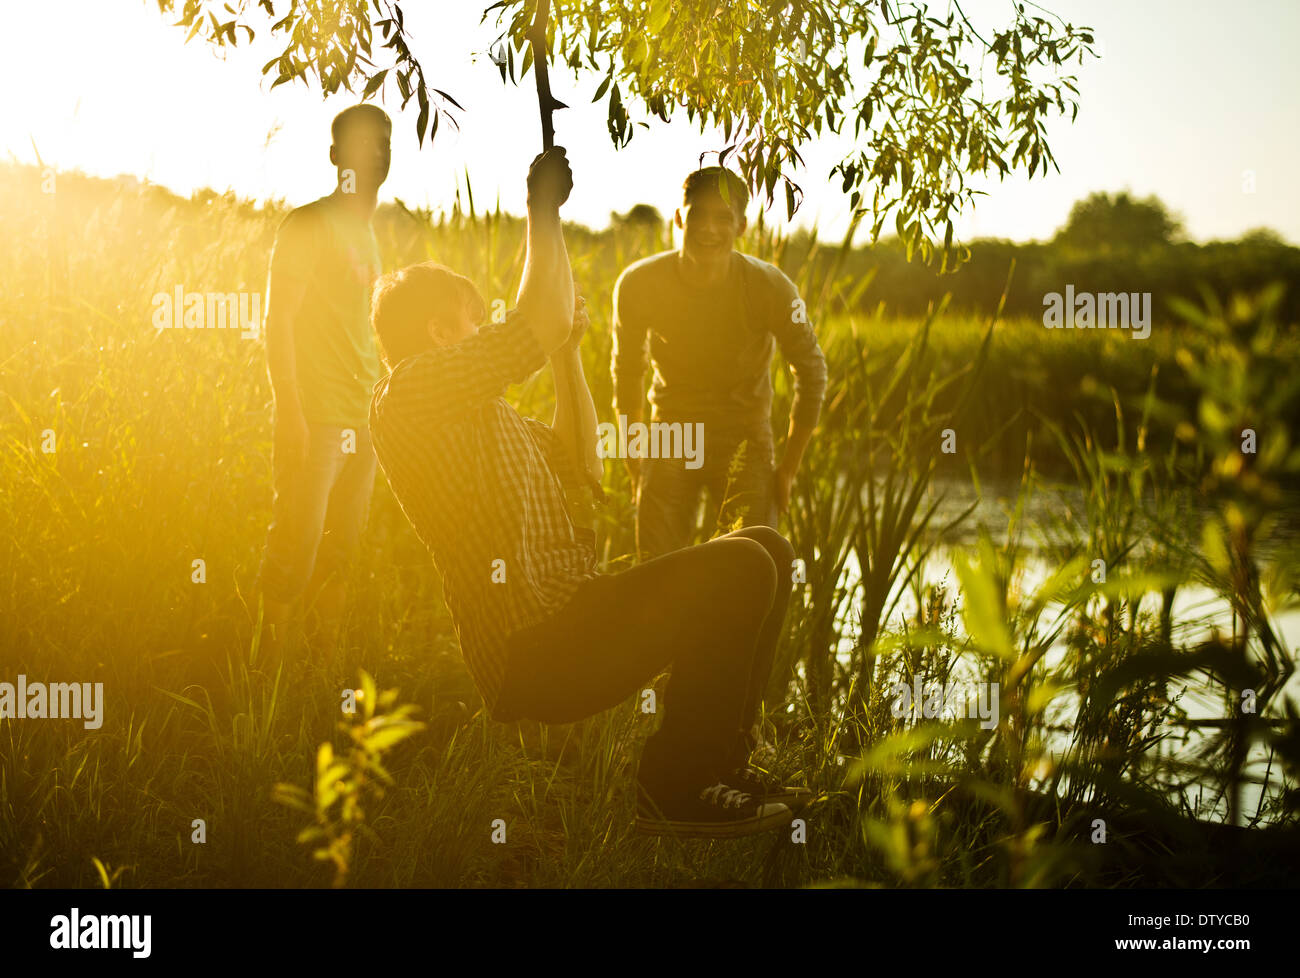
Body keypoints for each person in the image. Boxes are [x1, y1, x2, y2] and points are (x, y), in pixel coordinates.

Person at [368, 148, 810, 837]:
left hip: (578, 617)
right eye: (474, 320)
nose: (483, 331)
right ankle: (675, 785)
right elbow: (531, 325)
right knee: (744, 566)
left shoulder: (490, 415)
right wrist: (541, 210)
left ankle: (722, 766)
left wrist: (567, 351)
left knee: (768, 548)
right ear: (436, 331)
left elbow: (582, 465)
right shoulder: (409, 393)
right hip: (535, 652)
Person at [611, 167, 828, 560]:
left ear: (741, 225)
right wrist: (635, 463)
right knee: (657, 568)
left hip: (745, 434)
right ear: (680, 217)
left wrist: (787, 470)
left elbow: (812, 371)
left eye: (723, 218)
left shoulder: (771, 287)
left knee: (752, 565)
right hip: (672, 432)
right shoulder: (638, 284)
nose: (709, 229)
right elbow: (627, 373)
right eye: (698, 214)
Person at [256, 104, 392, 659]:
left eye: (383, 143)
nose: (374, 153)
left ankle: (322, 665)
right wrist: (290, 412)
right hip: (315, 416)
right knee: (297, 541)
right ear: (335, 156)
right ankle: (266, 670)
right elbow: (278, 320)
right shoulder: (309, 223)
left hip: (364, 418)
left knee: (342, 548)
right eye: (360, 144)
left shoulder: (366, 232)